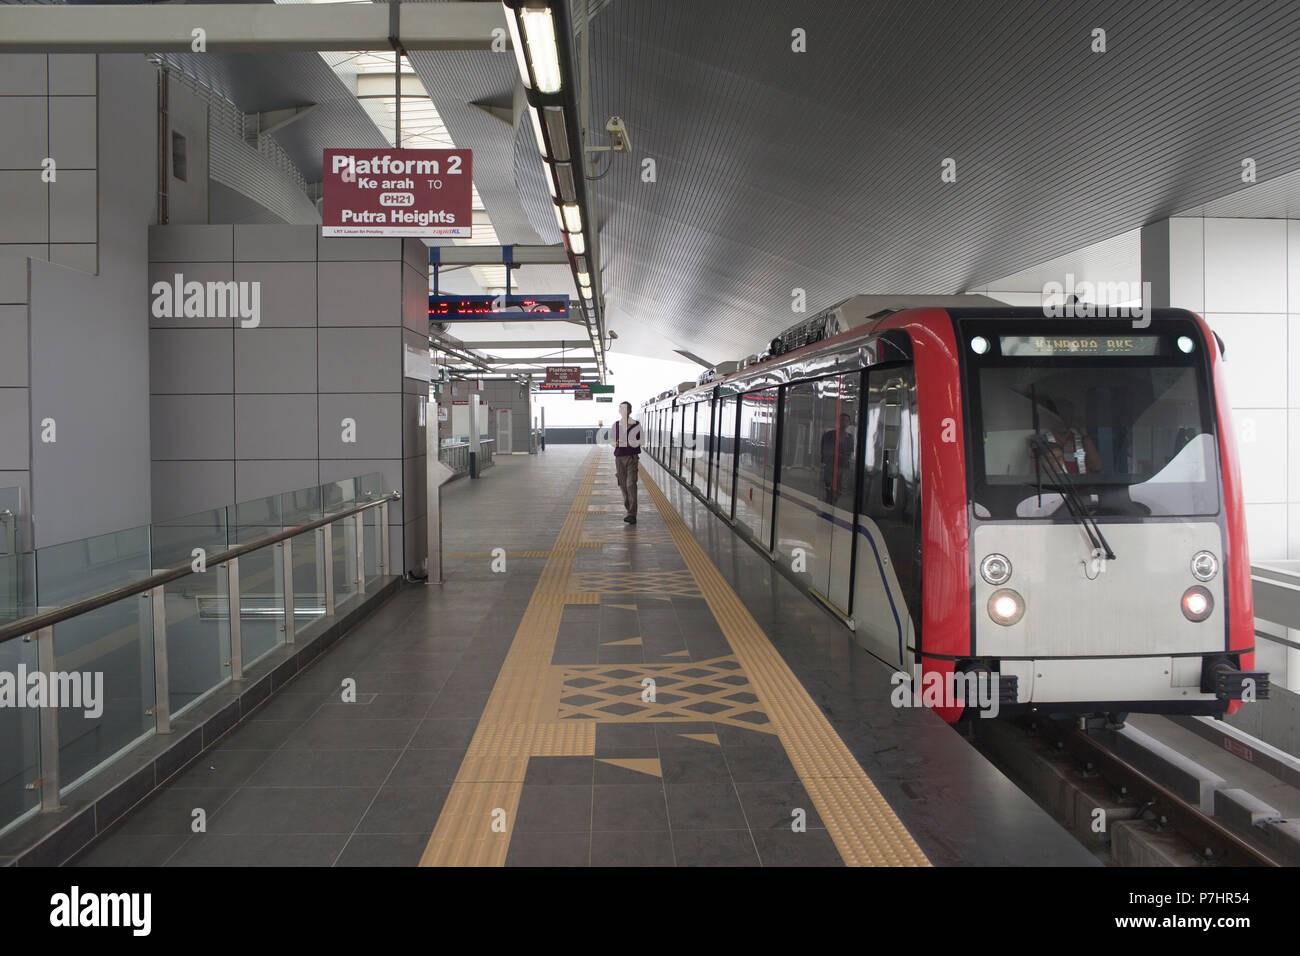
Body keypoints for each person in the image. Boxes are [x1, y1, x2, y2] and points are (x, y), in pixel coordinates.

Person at [1033, 398, 1100, 475]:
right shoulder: (1042, 441)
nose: (1064, 420)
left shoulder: (1082, 439)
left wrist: (1084, 433)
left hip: (1084, 485)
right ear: (1051, 417)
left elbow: (1096, 466)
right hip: (1056, 486)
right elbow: (1035, 474)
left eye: (1068, 415)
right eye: (1060, 415)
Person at [610, 401, 644, 524]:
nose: (623, 411)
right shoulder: (616, 425)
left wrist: (630, 443)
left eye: (626, 409)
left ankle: (632, 514)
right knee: (623, 486)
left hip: (632, 458)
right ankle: (629, 509)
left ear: (630, 411)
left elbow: (641, 441)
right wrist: (617, 443)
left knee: (631, 484)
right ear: (619, 411)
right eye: (621, 409)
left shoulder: (636, 425)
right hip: (619, 458)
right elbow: (612, 442)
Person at [819, 413, 854, 502]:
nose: (844, 423)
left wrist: (844, 456)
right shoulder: (829, 435)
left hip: (843, 466)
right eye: (842, 420)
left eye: (846, 421)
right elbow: (826, 450)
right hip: (831, 466)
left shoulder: (850, 437)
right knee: (829, 487)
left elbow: (850, 451)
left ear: (849, 423)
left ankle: (834, 502)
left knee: (840, 488)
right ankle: (828, 501)